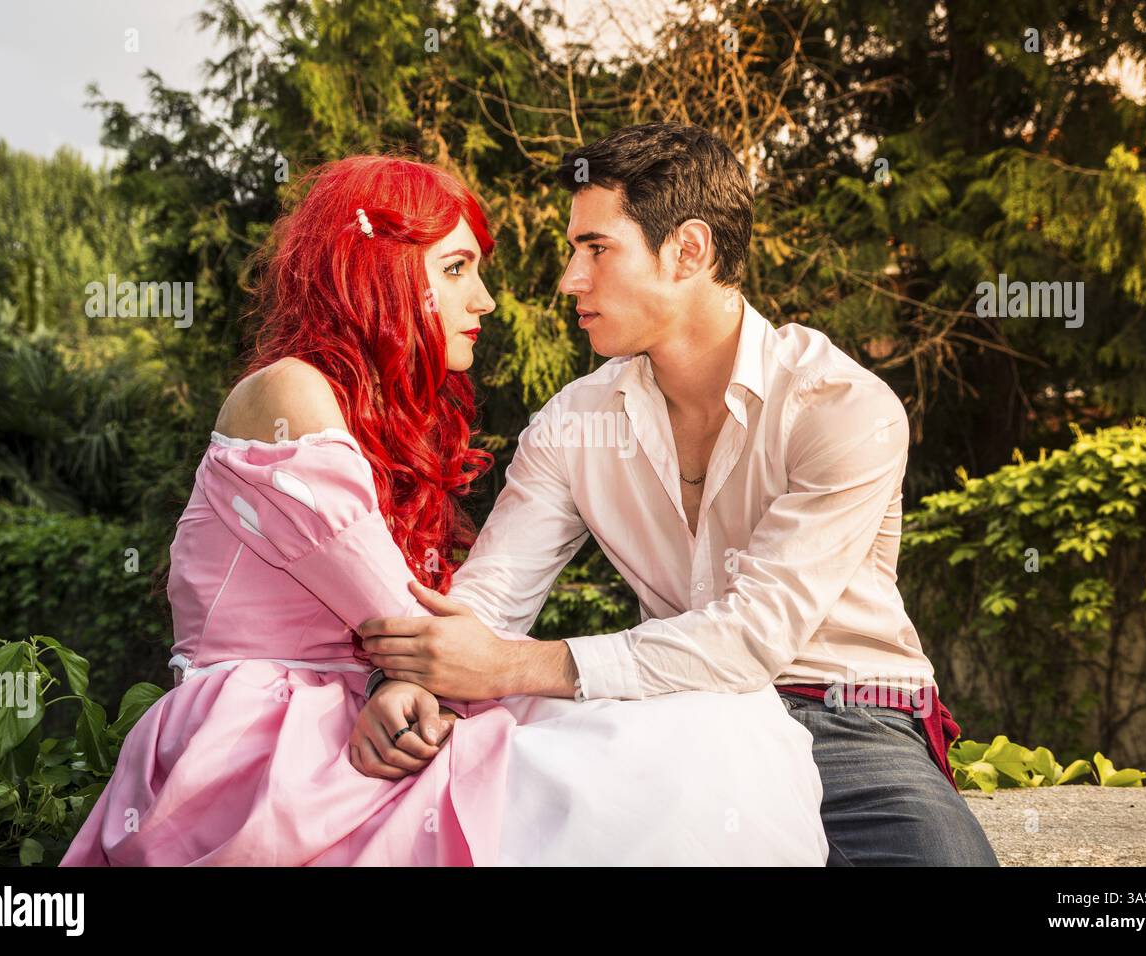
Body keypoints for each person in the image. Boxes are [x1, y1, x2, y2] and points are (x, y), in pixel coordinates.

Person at [59, 153, 827, 867]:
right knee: (678, 753)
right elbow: (406, 624)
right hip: (267, 739)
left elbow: (441, 636)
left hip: (360, 711)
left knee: (723, 727)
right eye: (455, 268)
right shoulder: (288, 392)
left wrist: (418, 680)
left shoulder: (371, 414)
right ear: (375, 274)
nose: (485, 299)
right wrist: (420, 678)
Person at [353, 125, 1001, 866]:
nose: (570, 279)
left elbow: (753, 638)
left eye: (596, 249)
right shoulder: (573, 424)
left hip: (845, 713)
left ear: (688, 250)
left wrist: (508, 665)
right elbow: (490, 600)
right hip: (679, 715)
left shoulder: (842, 406)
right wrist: (403, 684)